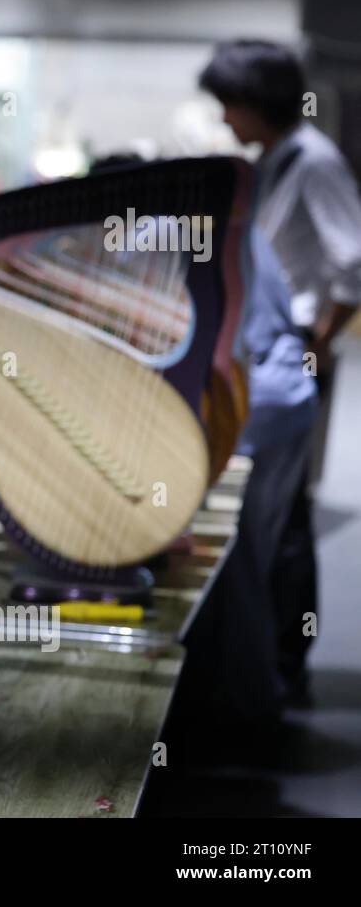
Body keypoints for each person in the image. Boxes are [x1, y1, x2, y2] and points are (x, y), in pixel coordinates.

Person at [181, 39, 361, 725]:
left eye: (229, 106)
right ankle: (270, 676)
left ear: (256, 104)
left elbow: (353, 264)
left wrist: (313, 345)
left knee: (274, 531)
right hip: (276, 352)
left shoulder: (313, 163)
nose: (225, 120)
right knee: (277, 525)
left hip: (292, 355)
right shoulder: (276, 160)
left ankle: (274, 678)